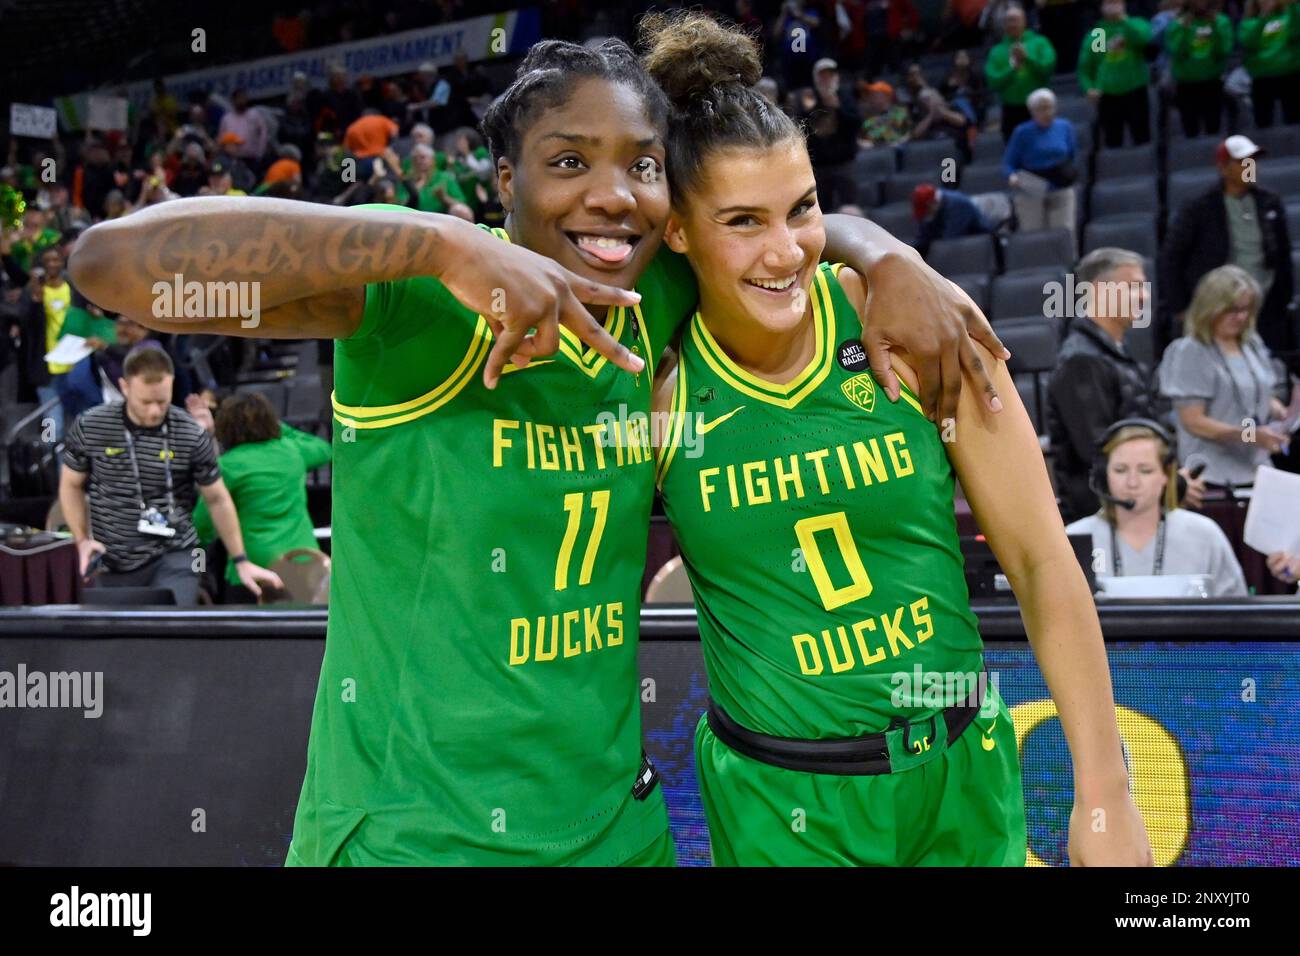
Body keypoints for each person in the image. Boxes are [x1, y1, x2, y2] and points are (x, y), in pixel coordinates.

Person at [69, 36, 1008, 866]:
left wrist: (885, 253)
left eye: (643, 166)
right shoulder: (417, 304)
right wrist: (438, 244)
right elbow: (110, 268)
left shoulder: (652, 295)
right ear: (503, 181)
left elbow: (778, 224)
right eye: (568, 161)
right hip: (415, 840)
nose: (612, 195)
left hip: (619, 835)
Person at [643, 10, 1150, 867]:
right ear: (678, 231)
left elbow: (1039, 560)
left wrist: (1106, 792)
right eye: (743, 222)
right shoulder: (659, 388)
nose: (785, 251)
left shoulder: (916, 328)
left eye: (802, 209)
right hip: (781, 802)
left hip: (961, 770)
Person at [58, 347, 282, 605]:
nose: (155, 411)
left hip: (176, 554)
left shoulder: (190, 433)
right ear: (125, 387)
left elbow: (217, 498)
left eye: (162, 401)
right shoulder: (91, 426)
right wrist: (82, 540)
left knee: (173, 624)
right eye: (146, 402)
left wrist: (240, 560)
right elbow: (71, 485)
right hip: (112, 558)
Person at [1048, 248, 1208, 521]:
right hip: (1104, 520)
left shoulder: (1114, 351)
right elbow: (1098, 449)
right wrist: (1171, 484)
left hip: (1133, 515)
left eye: (1143, 287)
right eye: (1133, 287)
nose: (1144, 296)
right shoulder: (1081, 360)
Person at [1066, 419, 1248, 595]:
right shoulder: (1072, 539)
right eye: (1120, 470)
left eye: (1145, 470)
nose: (1132, 482)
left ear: (1166, 475)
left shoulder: (1205, 535)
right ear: (1103, 475)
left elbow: (1235, 609)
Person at [1159, 135, 1295, 360]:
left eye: (1253, 161)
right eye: (1242, 162)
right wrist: (1181, 307)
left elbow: (1283, 254)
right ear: (1223, 168)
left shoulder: (1270, 202)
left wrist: (1284, 298)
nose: (1250, 167)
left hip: (1266, 305)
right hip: (1220, 307)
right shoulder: (1199, 208)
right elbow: (1171, 258)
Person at [191, 391, 331, 603]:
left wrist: (198, 561)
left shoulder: (227, 466)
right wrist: (275, 426)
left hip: (251, 569)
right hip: (304, 562)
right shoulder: (293, 451)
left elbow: (202, 525)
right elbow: (325, 449)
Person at [1157, 265, 1290, 487]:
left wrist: (1281, 413)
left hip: (1257, 469)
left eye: (1247, 309)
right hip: (1211, 474)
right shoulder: (1190, 351)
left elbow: (1259, 395)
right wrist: (1250, 436)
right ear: (1211, 308)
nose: (1241, 317)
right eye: (1233, 310)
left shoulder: (1252, 345)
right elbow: (1194, 421)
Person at [1002, 88, 1079, 244]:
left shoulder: (1065, 126)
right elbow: (1008, 163)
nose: (1047, 113)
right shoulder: (1022, 132)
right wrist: (1012, 176)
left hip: (1060, 185)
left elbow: (1072, 154)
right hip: (1032, 187)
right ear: (1032, 112)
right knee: (1034, 236)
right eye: (1042, 109)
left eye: (1050, 108)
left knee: (1064, 234)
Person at [1079, 0, 1153, 147]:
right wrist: (1089, 88)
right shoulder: (1099, 33)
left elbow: (1144, 41)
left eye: (1116, 2)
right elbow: (1088, 66)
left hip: (1135, 89)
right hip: (1108, 93)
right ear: (1102, 7)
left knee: (1142, 137)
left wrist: (1124, 21)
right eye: (1109, 2)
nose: (1113, 6)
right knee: (1112, 141)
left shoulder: (1136, 24)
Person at [985, 4, 1058, 141]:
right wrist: (1012, 70)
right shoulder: (996, 51)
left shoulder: (1040, 42)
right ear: (1004, 25)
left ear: (1024, 22)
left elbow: (1048, 68)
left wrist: (1027, 58)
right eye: (1009, 21)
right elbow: (992, 81)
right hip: (1011, 109)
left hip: (1040, 108)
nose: (1012, 24)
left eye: (1016, 20)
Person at [1166, 0, 1234, 138]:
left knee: (1214, 129)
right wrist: (1185, 29)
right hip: (1186, 84)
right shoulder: (1177, 24)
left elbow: (1224, 50)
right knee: (1190, 131)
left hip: (1212, 82)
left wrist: (1214, 26)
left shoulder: (1221, 22)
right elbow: (1177, 52)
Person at [1240, 0, 1300, 128]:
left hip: (1290, 74)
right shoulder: (1249, 23)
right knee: (1263, 121)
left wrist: (1292, 6)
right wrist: (1263, 18)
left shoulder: (1289, 17)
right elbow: (1248, 43)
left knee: (1294, 119)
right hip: (1262, 77)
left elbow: (1296, 32)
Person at [913, 183, 994, 257]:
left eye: (926, 211)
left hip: (976, 246)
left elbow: (949, 241)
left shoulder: (957, 204)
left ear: (932, 204)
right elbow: (922, 238)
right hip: (955, 245)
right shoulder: (931, 210)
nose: (925, 216)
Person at [857, 81, 912, 148]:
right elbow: (864, 139)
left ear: (887, 96)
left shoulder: (900, 112)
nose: (871, 97)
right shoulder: (870, 120)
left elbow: (897, 135)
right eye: (870, 94)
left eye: (874, 94)